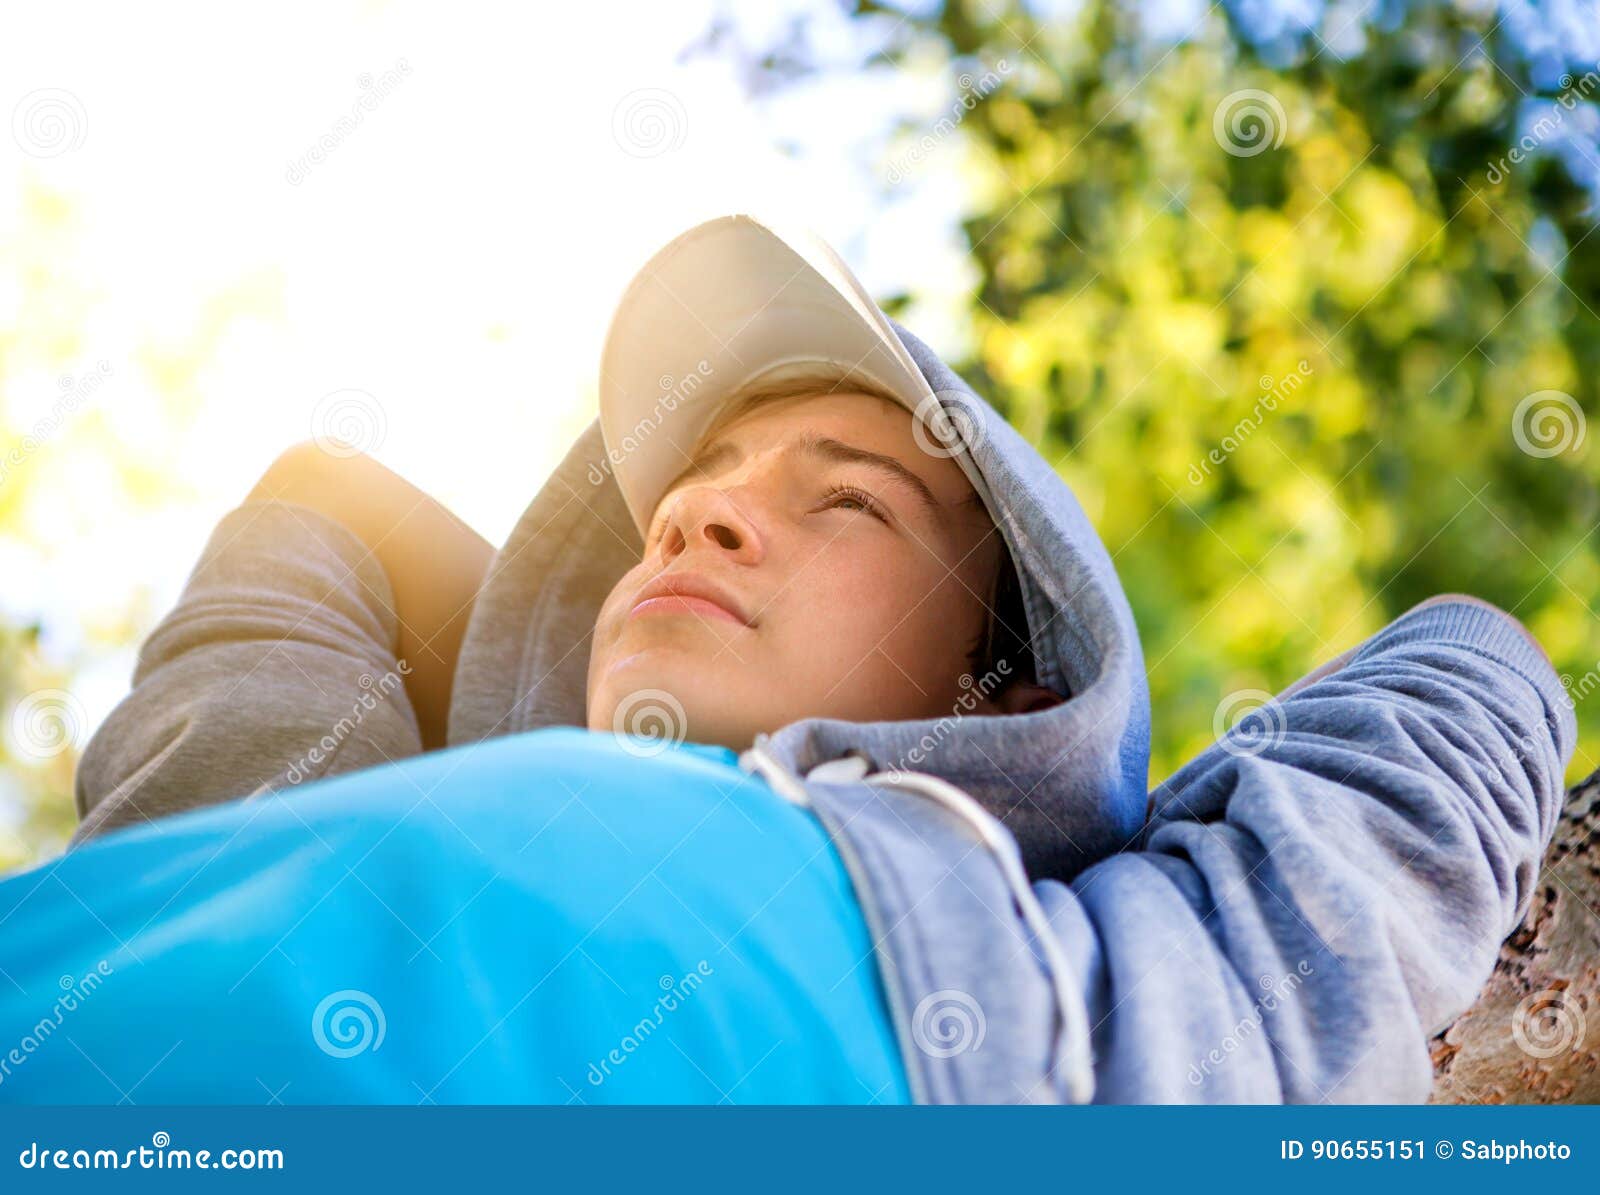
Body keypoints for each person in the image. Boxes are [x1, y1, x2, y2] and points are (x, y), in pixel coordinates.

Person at [0, 216, 1574, 1104]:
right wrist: (545, 717)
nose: (694, 517)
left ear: (1003, 694)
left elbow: (1467, 670)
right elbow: (316, 517)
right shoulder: (268, 813)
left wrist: (1057, 798)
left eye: (845, 497)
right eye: (690, 494)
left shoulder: (1118, 974)